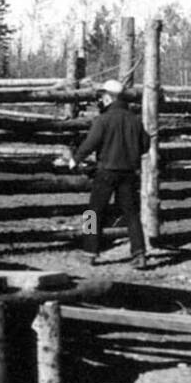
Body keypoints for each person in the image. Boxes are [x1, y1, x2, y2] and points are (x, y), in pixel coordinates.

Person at [63, 78, 152, 268]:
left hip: (106, 172)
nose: (101, 99)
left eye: (103, 96)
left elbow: (90, 143)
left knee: (92, 213)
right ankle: (139, 253)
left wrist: (75, 159)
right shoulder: (135, 120)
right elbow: (145, 144)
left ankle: (89, 252)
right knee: (131, 214)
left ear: (110, 98)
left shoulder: (102, 120)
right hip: (128, 173)